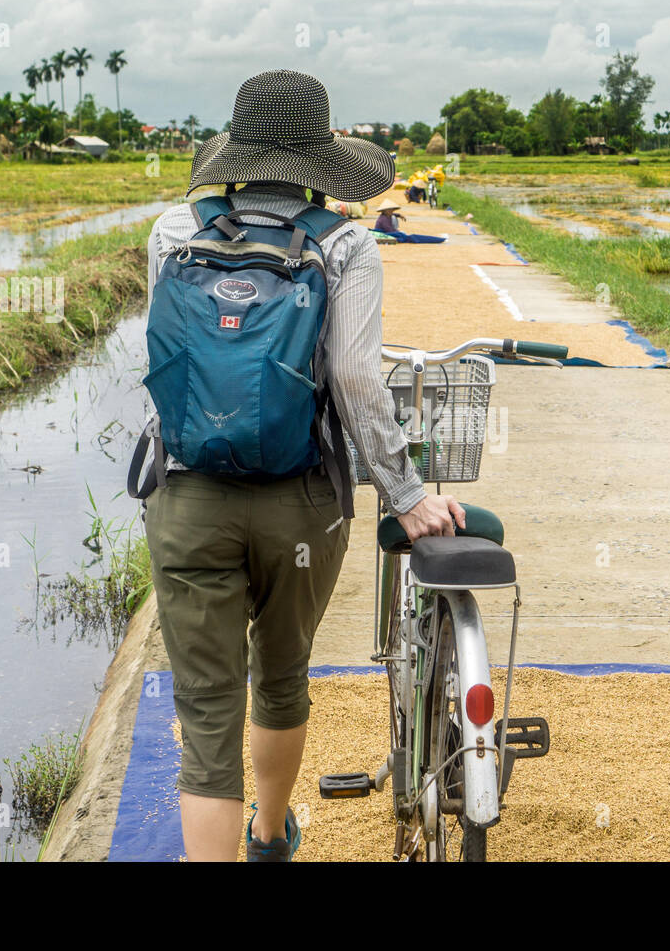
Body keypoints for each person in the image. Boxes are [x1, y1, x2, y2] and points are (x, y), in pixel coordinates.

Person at [143, 69, 465, 862]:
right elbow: (356, 382)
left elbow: (167, 365)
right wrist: (406, 493)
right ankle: (268, 835)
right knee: (282, 676)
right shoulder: (345, 243)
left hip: (187, 498)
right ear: (321, 159)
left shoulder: (169, 233)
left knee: (206, 713)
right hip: (301, 505)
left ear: (237, 150)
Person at [372, 198, 448, 244]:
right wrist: (399, 232)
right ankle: (439, 240)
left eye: (392, 209)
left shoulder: (387, 215)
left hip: (388, 233)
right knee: (412, 237)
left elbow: (394, 215)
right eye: (390, 210)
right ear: (385, 211)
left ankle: (439, 239)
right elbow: (389, 230)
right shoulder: (383, 219)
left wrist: (399, 215)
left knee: (408, 235)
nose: (392, 211)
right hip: (386, 234)